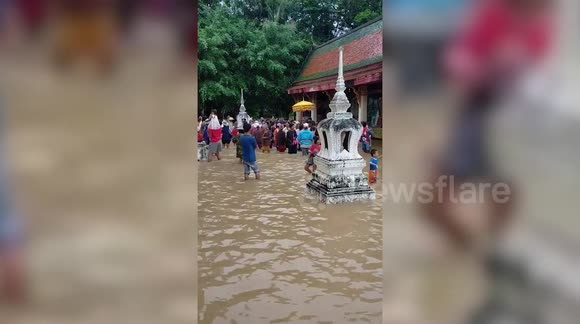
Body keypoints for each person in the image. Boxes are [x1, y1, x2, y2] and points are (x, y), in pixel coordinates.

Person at [420, 0, 554, 249]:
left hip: (514, 117)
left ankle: (489, 248)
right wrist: (485, 67)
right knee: (432, 199)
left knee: (507, 191)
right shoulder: (490, 12)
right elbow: (458, 60)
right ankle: (468, 246)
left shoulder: (540, 26)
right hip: (475, 109)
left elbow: (537, 77)